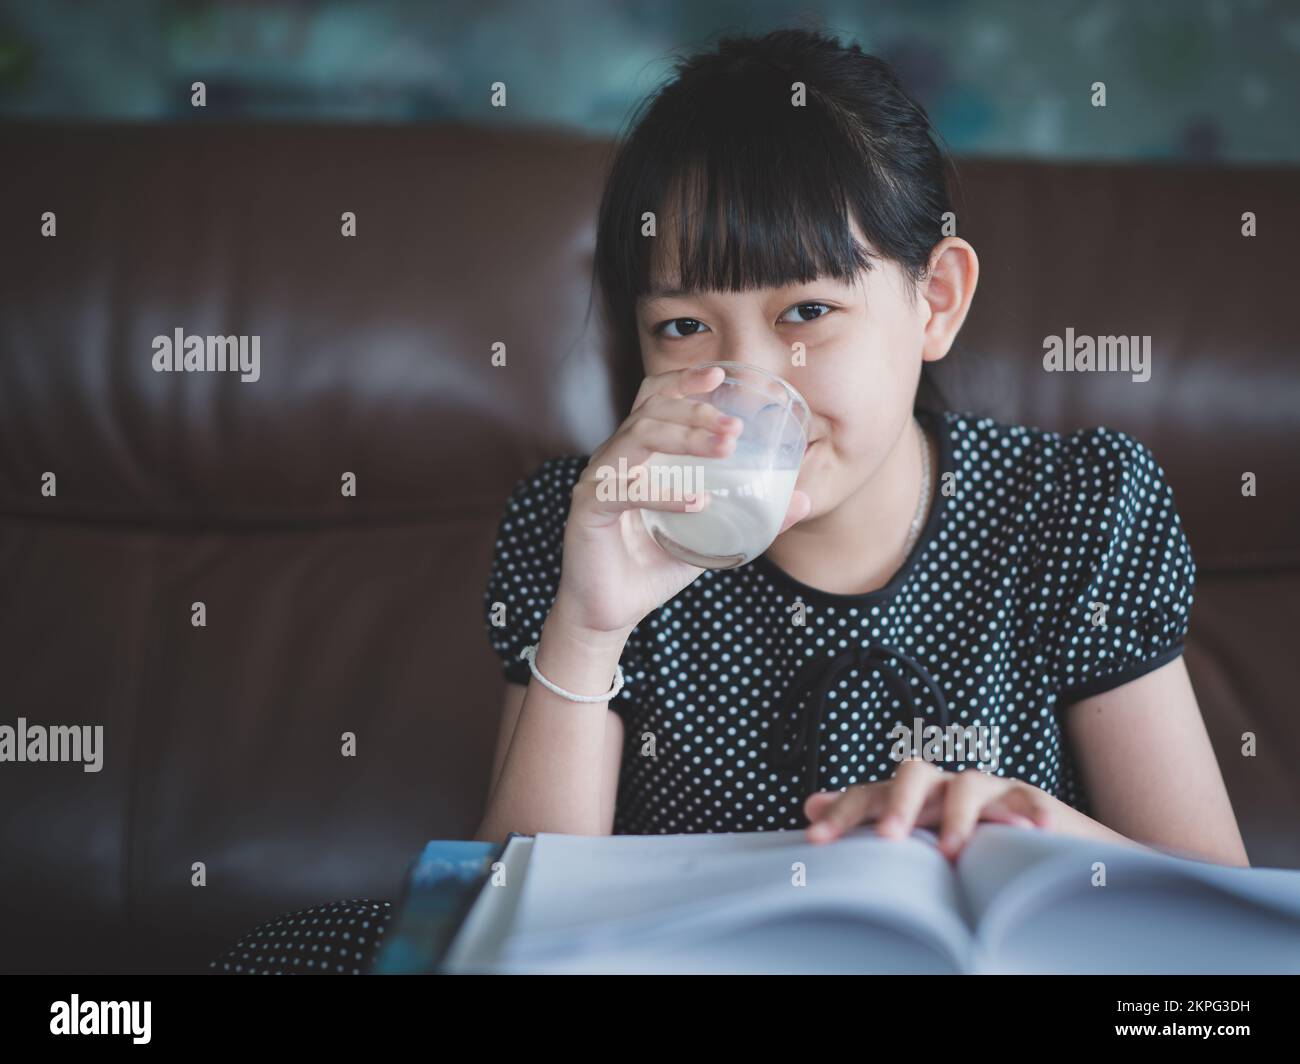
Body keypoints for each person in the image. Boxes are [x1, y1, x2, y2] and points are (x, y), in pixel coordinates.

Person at [211, 26, 1248, 975]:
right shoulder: (583, 524)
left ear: (935, 300)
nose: (751, 384)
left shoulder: (1074, 508)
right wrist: (589, 621)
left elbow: (1222, 934)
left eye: (806, 309)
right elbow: (500, 928)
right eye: (682, 329)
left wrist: (1028, 825)